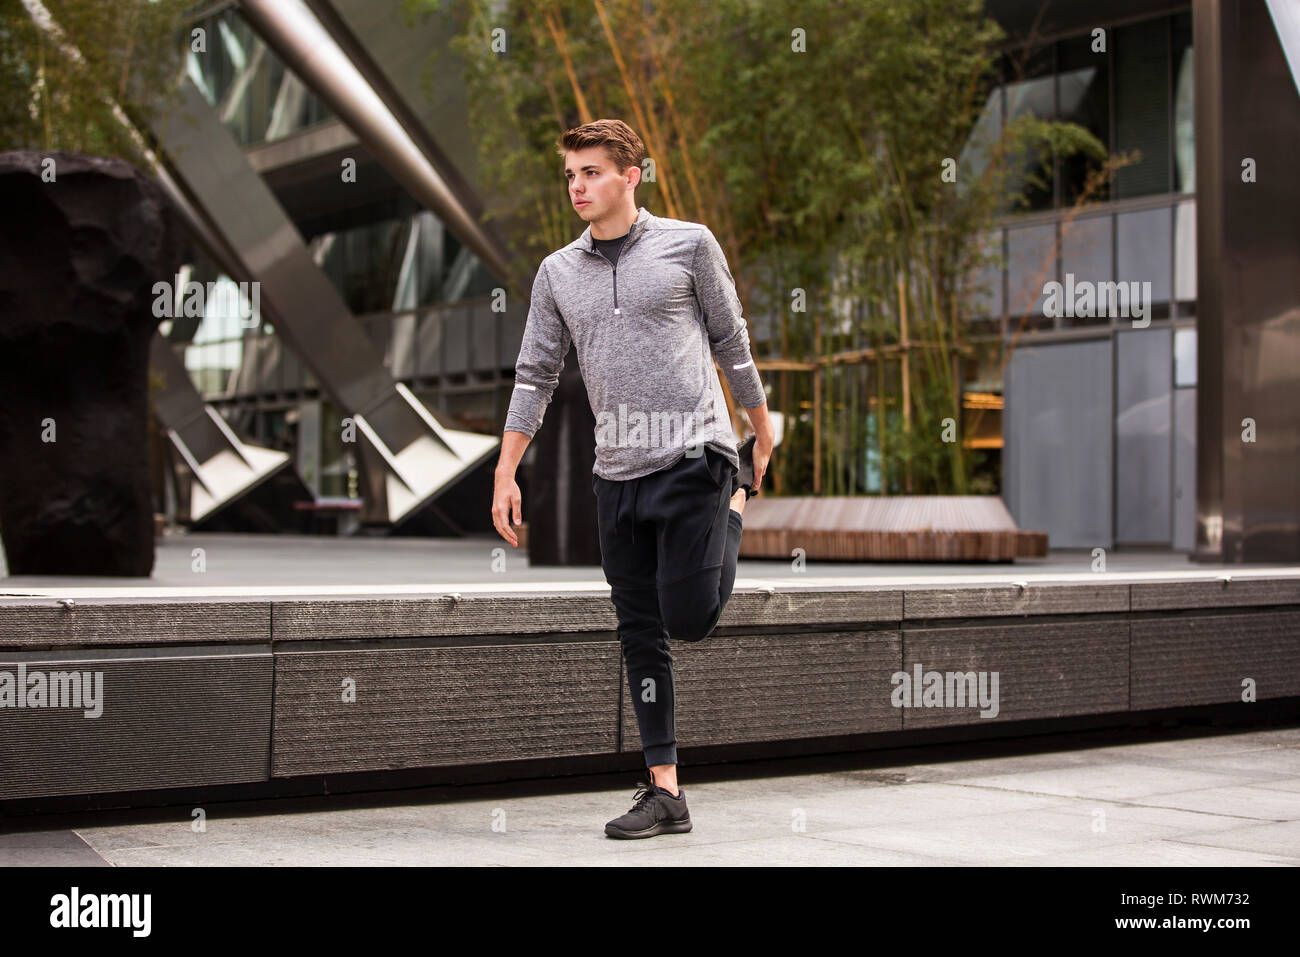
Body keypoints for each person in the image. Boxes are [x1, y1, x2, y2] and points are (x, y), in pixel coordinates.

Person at [491, 118, 775, 839]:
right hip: (615, 472)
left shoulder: (689, 244)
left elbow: (730, 338)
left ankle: (733, 499)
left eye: (590, 172)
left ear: (631, 175)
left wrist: (760, 424)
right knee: (639, 631)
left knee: (689, 618)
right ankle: (664, 787)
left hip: (692, 457)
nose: (578, 186)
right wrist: (506, 469)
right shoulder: (557, 272)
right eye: (570, 174)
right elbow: (535, 375)